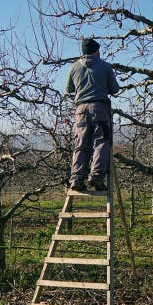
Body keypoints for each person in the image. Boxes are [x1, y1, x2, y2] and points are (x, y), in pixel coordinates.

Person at [65, 38, 120, 192]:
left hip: (80, 110)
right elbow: (115, 89)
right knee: (101, 142)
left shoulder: (74, 67)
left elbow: (69, 88)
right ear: (96, 51)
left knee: (81, 144)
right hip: (100, 108)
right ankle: (96, 177)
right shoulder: (105, 66)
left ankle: (76, 179)